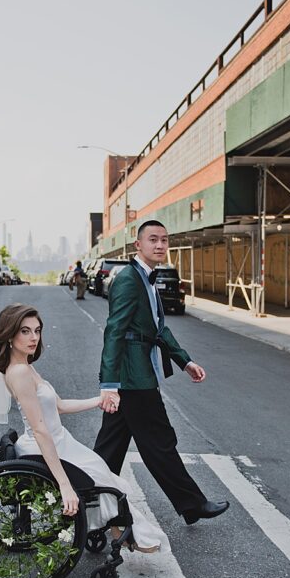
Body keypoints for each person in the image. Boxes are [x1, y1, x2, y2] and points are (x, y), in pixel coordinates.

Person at [0, 303, 166, 552]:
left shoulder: (26, 366)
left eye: (37, 330)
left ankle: (117, 526)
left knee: (103, 473)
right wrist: (65, 485)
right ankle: (120, 528)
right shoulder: (19, 372)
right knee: (100, 478)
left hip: (60, 441)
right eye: (25, 331)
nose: (34, 337)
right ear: (10, 335)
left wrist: (99, 400)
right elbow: (40, 429)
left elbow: (59, 406)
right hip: (44, 445)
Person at [94, 219, 229, 525]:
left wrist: (185, 361)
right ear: (137, 245)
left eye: (164, 240)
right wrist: (109, 384)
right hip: (133, 379)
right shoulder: (129, 279)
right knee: (159, 442)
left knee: (109, 450)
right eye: (153, 239)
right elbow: (114, 332)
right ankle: (192, 504)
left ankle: (86, 502)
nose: (160, 245)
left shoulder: (147, 279)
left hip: (134, 376)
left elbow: (157, 330)